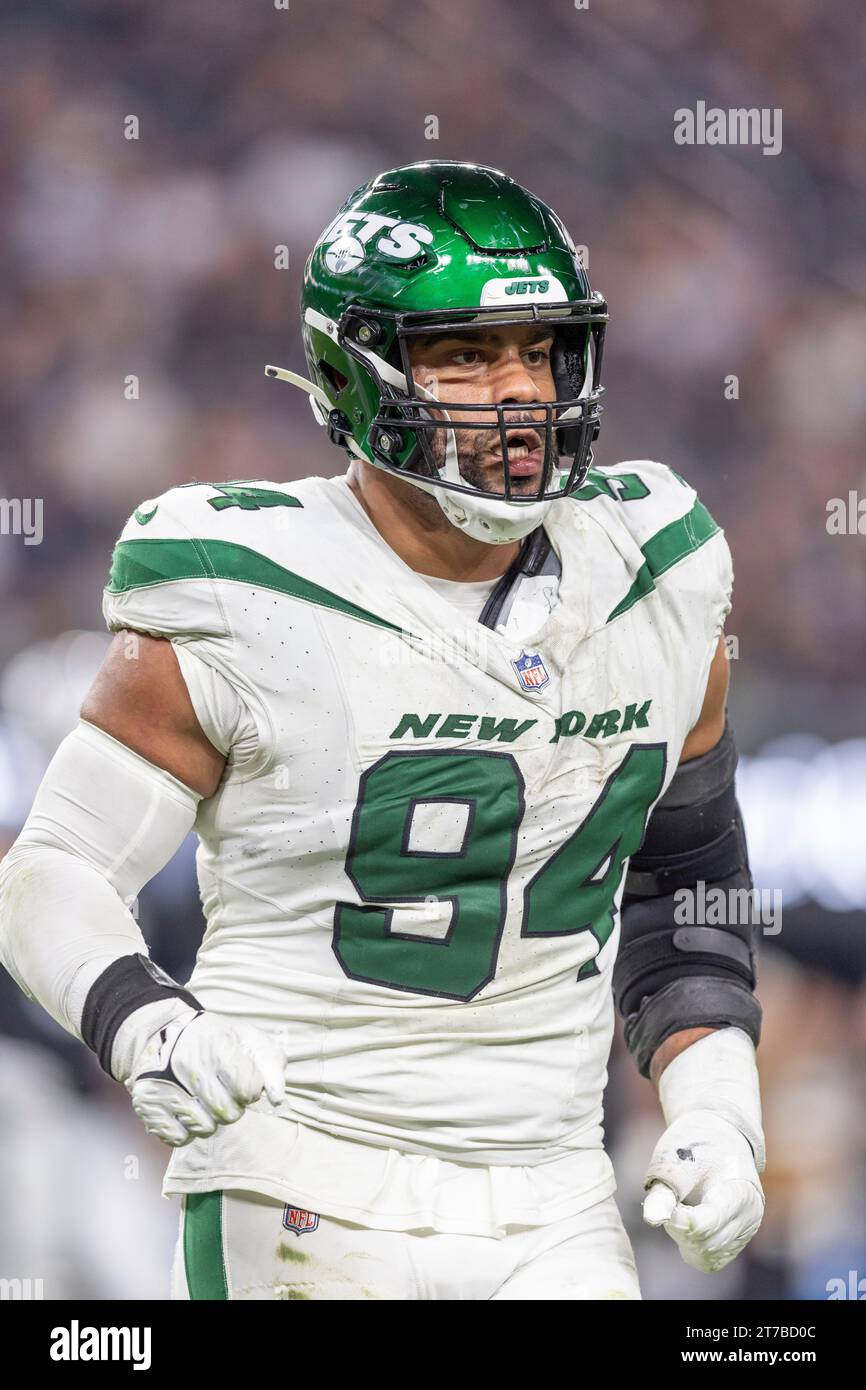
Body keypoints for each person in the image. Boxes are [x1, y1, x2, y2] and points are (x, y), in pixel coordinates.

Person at [0, 161, 765, 1300]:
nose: (515, 389)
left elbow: (683, 890)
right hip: (300, 1178)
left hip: (553, 1191)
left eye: (536, 348)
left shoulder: (657, 570)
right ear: (347, 373)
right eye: (463, 355)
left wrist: (718, 1112)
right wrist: (143, 1019)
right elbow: (52, 869)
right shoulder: (241, 585)